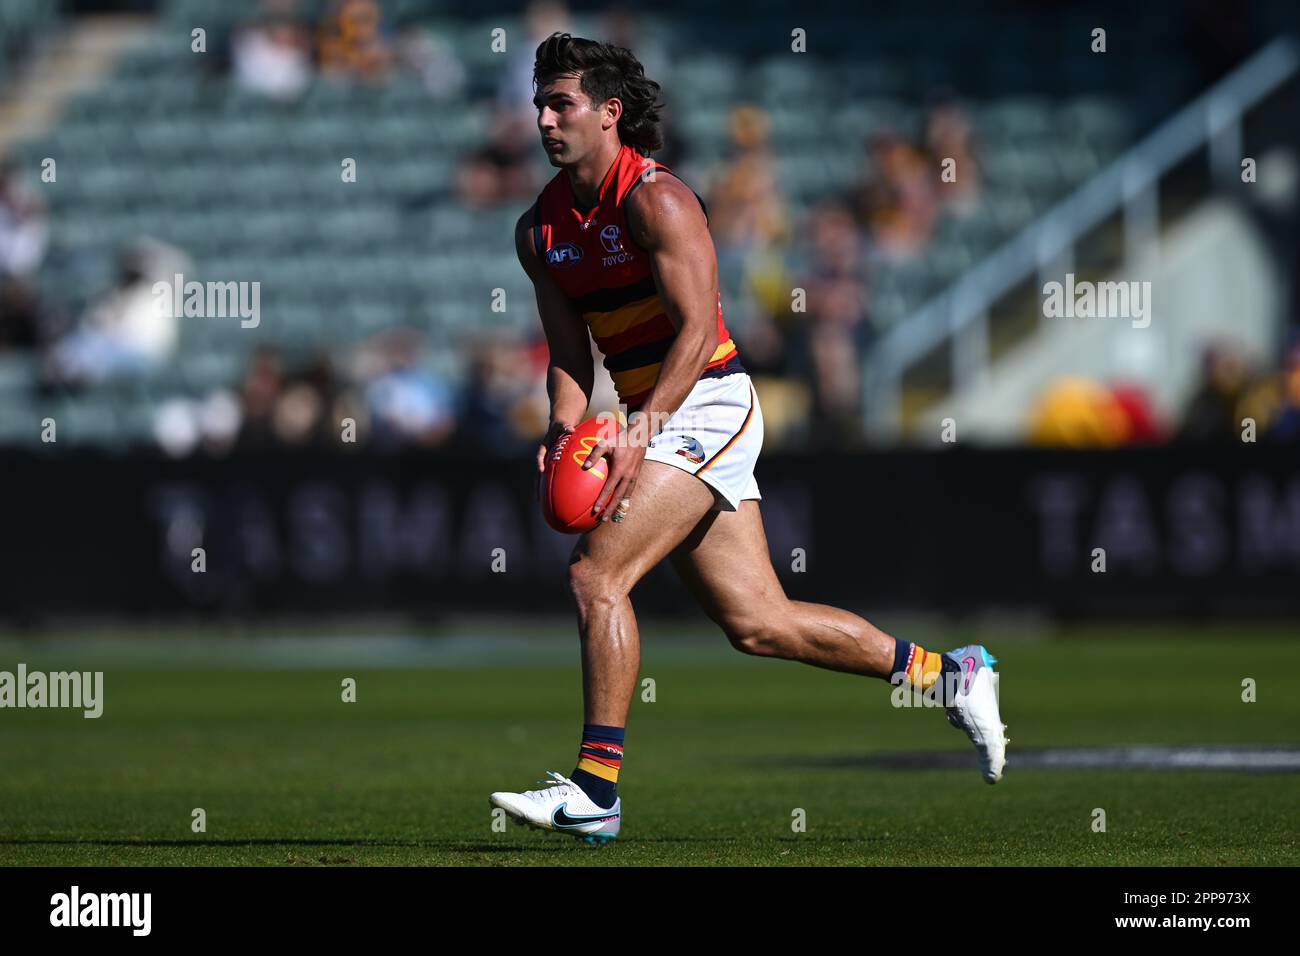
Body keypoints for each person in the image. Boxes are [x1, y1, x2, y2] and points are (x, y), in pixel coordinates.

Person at [489, 34, 1007, 844]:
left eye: (563, 104)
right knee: (760, 623)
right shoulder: (538, 229)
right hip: (648, 411)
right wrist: (561, 440)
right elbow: (566, 356)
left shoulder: (659, 200)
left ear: (609, 114)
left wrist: (639, 431)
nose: (546, 120)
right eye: (540, 105)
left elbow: (698, 333)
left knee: (596, 576)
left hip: (707, 398)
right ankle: (951, 676)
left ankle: (596, 791)